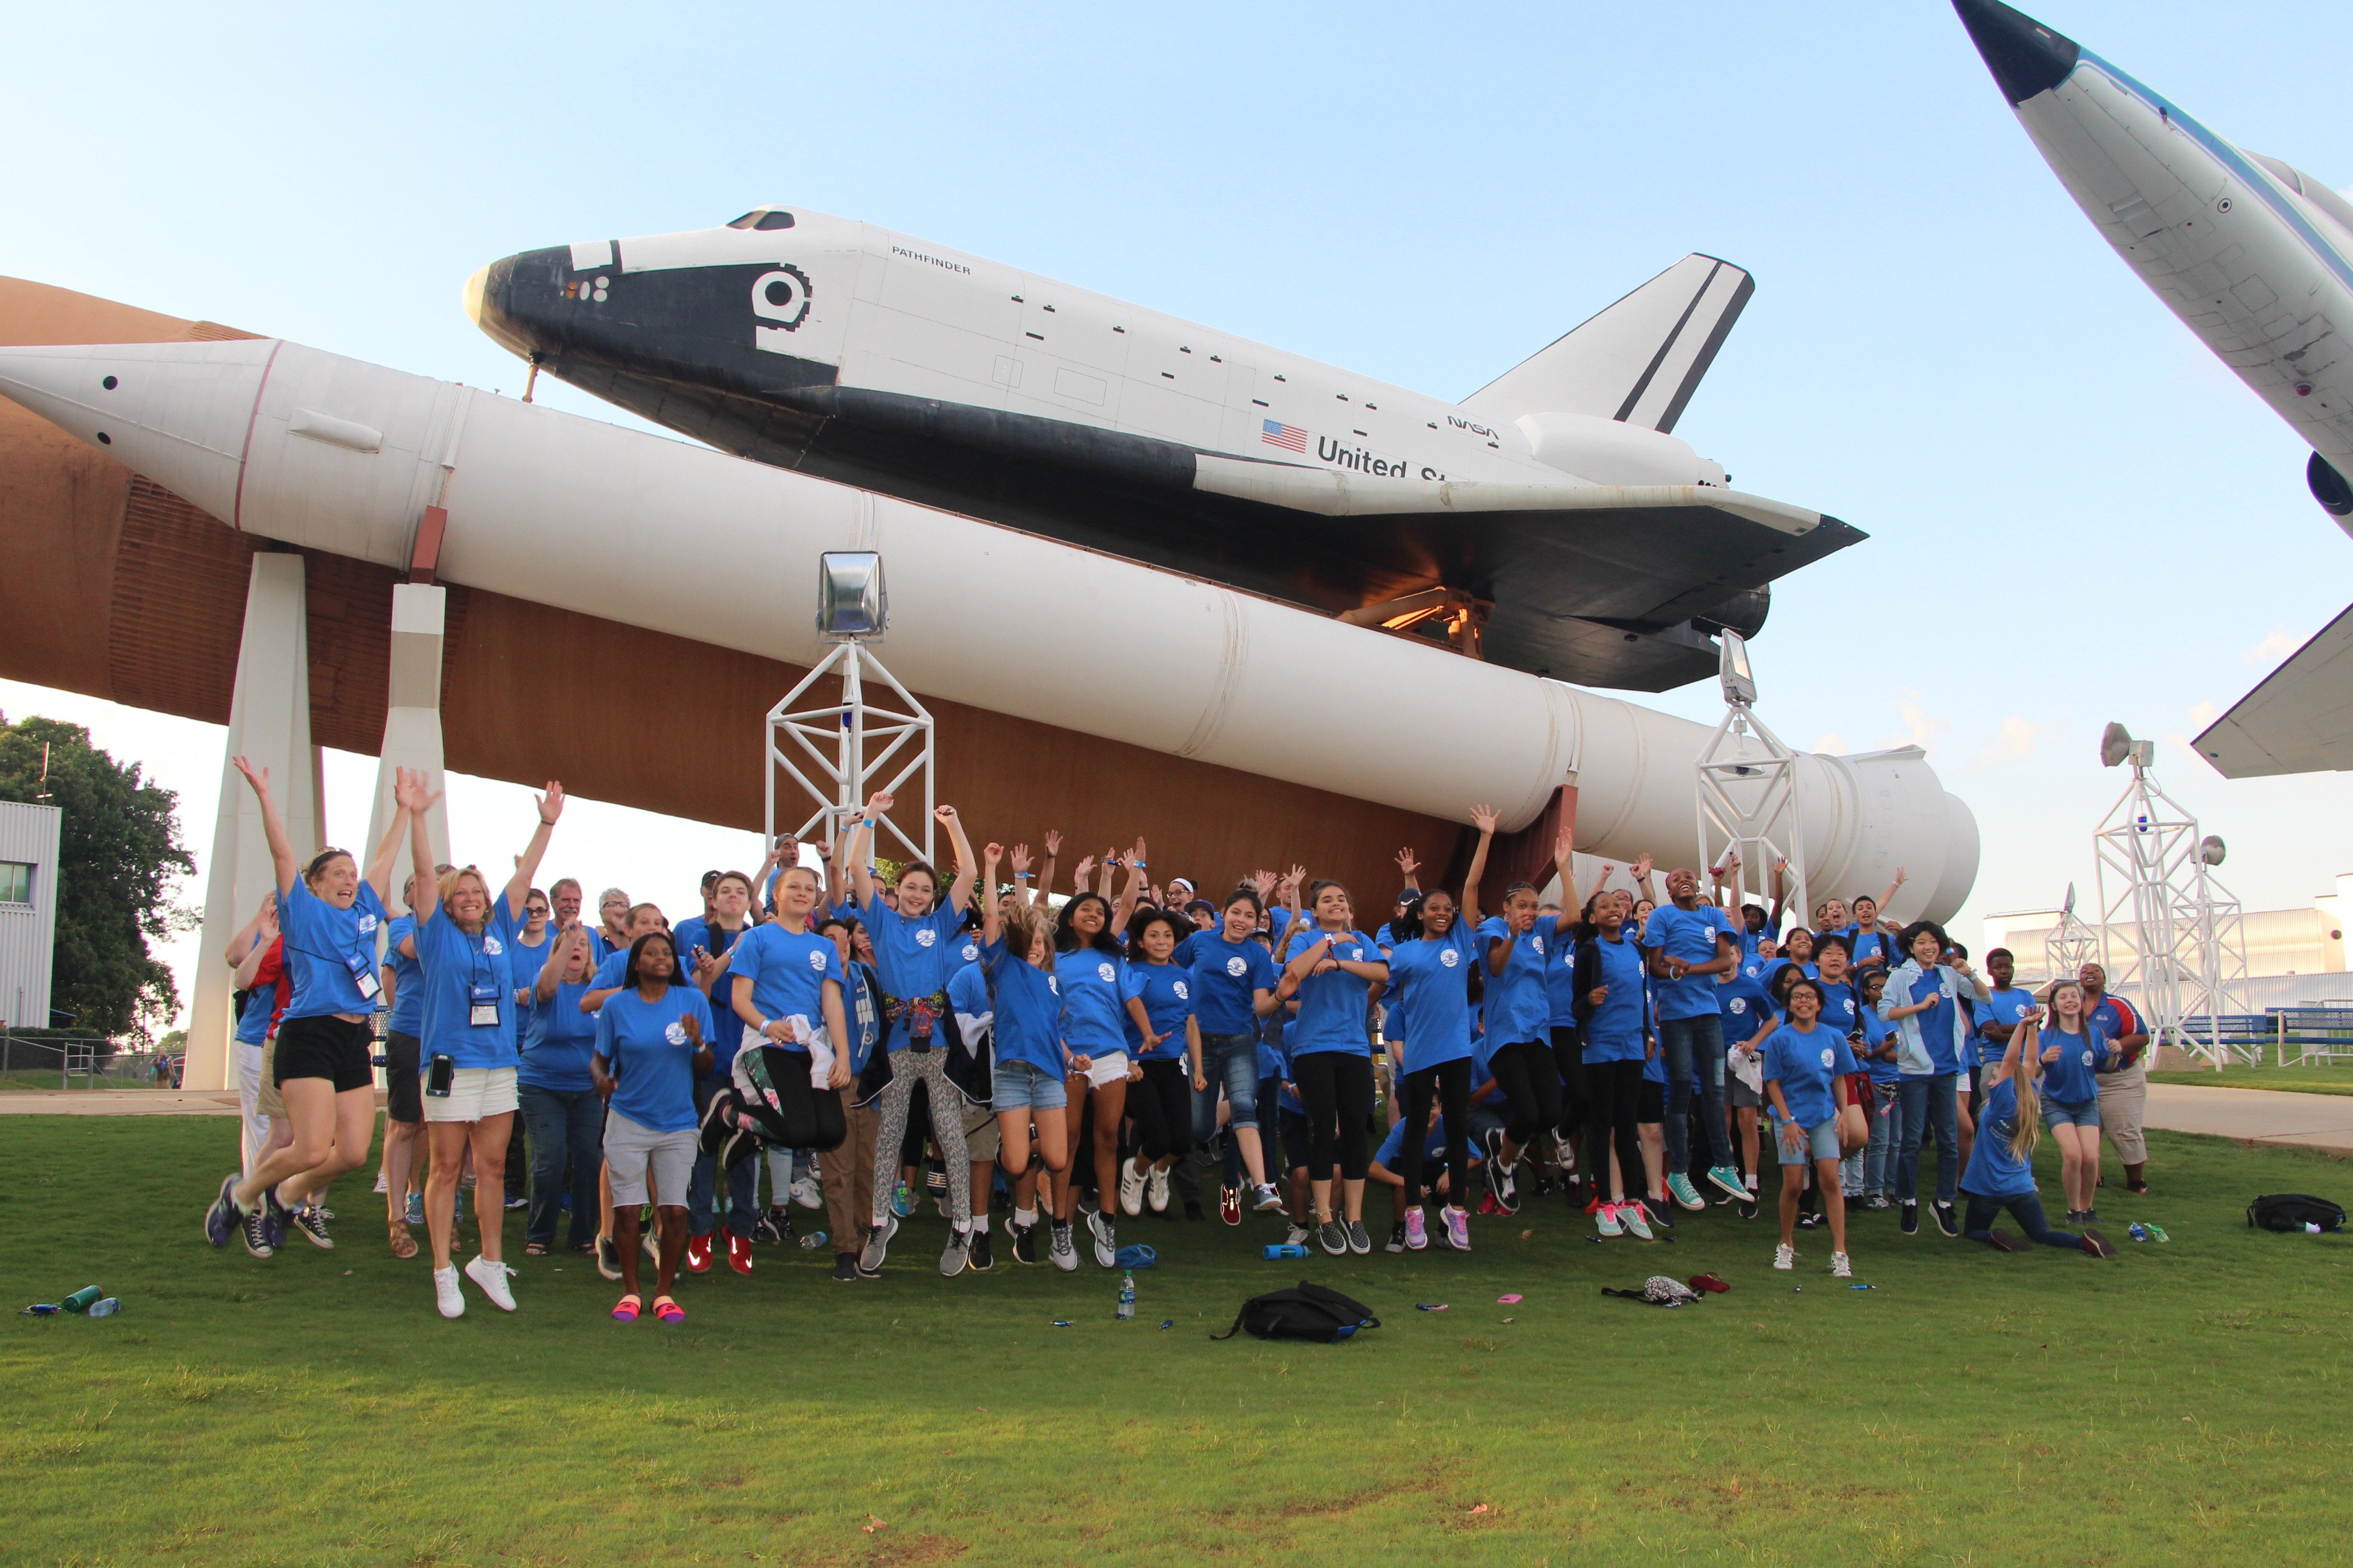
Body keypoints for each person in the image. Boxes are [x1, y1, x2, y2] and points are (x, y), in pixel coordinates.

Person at [203, 758, 410, 1260]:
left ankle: (285, 1196)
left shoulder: (365, 906)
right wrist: (265, 797)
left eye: (350, 873)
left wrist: (404, 809)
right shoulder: (301, 908)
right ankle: (242, 1195)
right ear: (314, 883)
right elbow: (281, 851)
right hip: (308, 1035)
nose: (348, 879)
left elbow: (384, 858)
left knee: (354, 1153)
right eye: (336, 874)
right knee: (313, 1148)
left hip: (354, 1037)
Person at [398, 771, 562, 1318]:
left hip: (499, 1064)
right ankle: (444, 1270)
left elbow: (527, 874)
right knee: (446, 1168)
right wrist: (418, 816)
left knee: (491, 1167)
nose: (470, 899)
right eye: (460, 894)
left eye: (477, 892)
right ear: (446, 903)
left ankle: (490, 1263)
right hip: (449, 1065)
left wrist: (545, 824)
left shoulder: (500, 928)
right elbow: (424, 873)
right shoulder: (435, 932)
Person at [846, 791, 985, 1278]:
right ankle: (879, 1223)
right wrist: (872, 817)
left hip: (940, 1044)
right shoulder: (880, 921)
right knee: (890, 1133)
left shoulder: (944, 924)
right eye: (910, 886)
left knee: (950, 1134)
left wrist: (953, 824)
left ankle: (964, 1225)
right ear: (898, 890)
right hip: (899, 1042)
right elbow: (857, 869)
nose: (918, 894)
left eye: (926, 889)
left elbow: (967, 875)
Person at [722, 862, 854, 1268]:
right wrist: (767, 1024)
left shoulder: (823, 947)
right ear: (775, 896)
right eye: (793, 886)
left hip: (810, 1050)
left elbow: (831, 1001)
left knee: (831, 1131)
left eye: (810, 887)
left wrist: (843, 1054)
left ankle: (747, 1127)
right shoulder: (757, 938)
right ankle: (730, 1116)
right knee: (796, 1129)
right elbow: (740, 998)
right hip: (767, 1044)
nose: (803, 892)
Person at [1382, 807, 1497, 1252]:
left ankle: (1457, 1214)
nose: (1445, 913)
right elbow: (1380, 986)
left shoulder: (1461, 941)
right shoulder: (1406, 954)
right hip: (1419, 1053)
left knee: (1454, 1128)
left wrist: (1485, 836)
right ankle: (1414, 1212)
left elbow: (1471, 886)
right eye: (1435, 909)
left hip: (1455, 1051)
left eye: (1448, 909)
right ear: (1421, 915)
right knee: (1414, 1131)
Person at [977, 843, 1090, 1271]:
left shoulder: (1054, 986)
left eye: (1043, 942)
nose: (1036, 947)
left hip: (1050, 1077)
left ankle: (1022, 1145)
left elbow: (1053, 1033)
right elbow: (995, 917)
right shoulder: (1003, 967)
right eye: (1030, 941)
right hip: (1011, 1074)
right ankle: (1013, 1146)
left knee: (1059, 1159)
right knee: (1017, 1161)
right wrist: (991, 868)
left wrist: (1073, 1057)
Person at [592, 930, 714, 1323]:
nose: (662, 958)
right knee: (628, 1212)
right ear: (636, 963)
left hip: (678, 1123)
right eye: (652, 953)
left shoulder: (692, 1001)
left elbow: (707, 1066)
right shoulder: (617, 1006)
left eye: (667, 952)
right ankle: (631, 1292)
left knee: (675, 1212)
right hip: (628, 1119)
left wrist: (697, 1043)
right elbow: (600, 1058)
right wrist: (600, 1078)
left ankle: (664, 1293)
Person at [1279, 878, 1391, 1256]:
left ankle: (1354, 1218)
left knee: (1357, 1130)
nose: (1336, 904)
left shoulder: (1362, 941)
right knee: (1323, 1129)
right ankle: (1325, 1217)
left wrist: (1341, 961)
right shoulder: (1306, 939)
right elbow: (1292, 974)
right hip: (1313, 1047)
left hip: (1356, 1048)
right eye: (1327, 900)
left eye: (1341, 899)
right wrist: (1326, 943)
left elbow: (1382, 974)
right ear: (1315, 910)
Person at [1958, 1003, 2117, 1257]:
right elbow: (2029, 1060)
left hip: (1989, 1187)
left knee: (1972, 1232)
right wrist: (2033, 1028)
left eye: (1995, 1077)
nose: (1991, 1081)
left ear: (2005, 1082)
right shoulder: (2029, 1095)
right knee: (2041, 1233)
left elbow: (2011, 1060)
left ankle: (1994, 1238)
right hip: (2021, 1187)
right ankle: (2082, 1244)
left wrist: (2021, 1026)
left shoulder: (2002, 1103)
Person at [1052, 843, 1145, 1268]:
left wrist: (1135, 869)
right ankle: (1060, 1229)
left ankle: (1106, 1222)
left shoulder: (1113, 954)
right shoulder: (1053, 956)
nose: (1095, 914)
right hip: (1068, 1057)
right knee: (1067, 1143)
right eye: (1085, 908)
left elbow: (1126, 906)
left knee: (1109, 1139)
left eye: (1100, 911)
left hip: (1111, 1055)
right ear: (1070, 916)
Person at [1641, 867, 1749, 1210]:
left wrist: (1685, 966)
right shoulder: (1661, 916)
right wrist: (1674, 970)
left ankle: (1724, 1165)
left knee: (1716, 1088)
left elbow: (1723, 961)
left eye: (1690, 875)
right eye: (1676, 878)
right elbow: (1655, 966)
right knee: (1682, 1089)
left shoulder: (1714, 915)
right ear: (1669, 889)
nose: (1684, 879)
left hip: (1708, 1015)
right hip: (1675, 1017)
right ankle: (1680, 1173)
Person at [1179, 888, 1286, 1216]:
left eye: (1250, 916)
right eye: (1236, 913)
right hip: (1200, 1043)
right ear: (1224, 913)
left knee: (1244, 1108)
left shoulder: (1257, 954)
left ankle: (1262, 1186)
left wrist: (1282, 994)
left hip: (1240, 1040)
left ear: (1257, 922)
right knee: (1199, 1127)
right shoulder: (1200, 942)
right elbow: (1170, 967)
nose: (1242, 920)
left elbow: (1262, 1006)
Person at [1881, 921, 1991, 1239]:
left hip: (1947, 1069)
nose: (1928, 947)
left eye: (1933, 942)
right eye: (1921, 942)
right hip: (1915, 1071)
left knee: (1950, 1139)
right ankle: (1908, 1199)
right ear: (1911, 947)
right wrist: (1920, 1005)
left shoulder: (1948, 975)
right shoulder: (1901, 976)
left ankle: (1944, 1201)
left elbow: (1985, 999)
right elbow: (1885, 1013)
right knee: (1912, 1140)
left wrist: (1969, 972)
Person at [678, 869, 761, 1276]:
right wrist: (734, 951)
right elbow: (699, 987)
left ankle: (741, 1229)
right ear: (713, 899)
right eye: (725, 891)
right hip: (712, 1058)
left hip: (751, 1061)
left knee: (746, 1147)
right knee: (705, 1147)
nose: (732, 897)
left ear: (750, 900)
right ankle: (700, 1229)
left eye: (740, 892)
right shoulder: (698, 938)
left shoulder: (763, 936)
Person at [1760, 978, 1861, 1277]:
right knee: (1793, 1185)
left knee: (1831, 1180)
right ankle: (1786, 1244)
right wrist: (1788, 1121)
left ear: (1819, 1003)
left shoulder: (1833, 1037)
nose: (1803, 1002)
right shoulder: (1780, 1038)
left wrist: (1843, 1112)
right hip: (1789, 1117)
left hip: (1823, 1117)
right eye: (1797, 997)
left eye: (1809, 997)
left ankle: (1840, 1252)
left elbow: (1840, 1078)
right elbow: (1773, 1084)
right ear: (1789, 1005)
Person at [1574, 888, 1658, 1239]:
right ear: (1593, 918)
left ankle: (1633, 1202)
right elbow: (1576, 1004)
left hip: (1632, 1044)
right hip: (1601, 1045)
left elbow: (1641, 997)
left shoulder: (1636, 949)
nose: (1614, 909)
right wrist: (1589, 1001)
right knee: (1602, 1123)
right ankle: (1606, 1203)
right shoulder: (1590, 950)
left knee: (1628, 1123)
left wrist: (1647, 1035)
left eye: (1617, 904)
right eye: (1604, 906)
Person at [520, 924, 604, 1258]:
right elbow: (547, 986)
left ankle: (583, 1235)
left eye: (583, 944)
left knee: (590, 1158)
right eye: (570, 944)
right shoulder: (546, 985)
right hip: (542, 1086)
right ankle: (539, 1234)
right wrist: (564, 943)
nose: (577, 949)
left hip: (586, 1089)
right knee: (551, 1158)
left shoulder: (598, 991)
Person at [1118, 907, 1202, 1219]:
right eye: (1153, 935)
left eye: (1168, 935)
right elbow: (1115, 1018)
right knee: (1157, 1138)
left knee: (1181, 1140)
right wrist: (1126, 1061)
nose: (1162, 941)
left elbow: (1191, 1025)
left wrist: (1199, 1069)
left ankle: (1159, 1172)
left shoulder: (1184, 976)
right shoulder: (1129, 971)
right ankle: (1136, 1173)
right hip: (1139, 1065)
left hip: (1174, 1064)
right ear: (1140, 941)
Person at [2032, 978, 2116, 1224]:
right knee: (2072, 1155)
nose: (2070, 1001)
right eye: (2063, 997)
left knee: (2091, 1157)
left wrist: (2115, 1052)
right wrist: (2044, 1060)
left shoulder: (2093, 1034)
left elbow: (2108, 1066)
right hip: (2056, 1103)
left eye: (2074, 996)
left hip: (2086, 1103)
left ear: (2081, 1002)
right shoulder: (2046, 1036)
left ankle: (2087, 1208)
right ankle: (2073, 1211)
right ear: (2054, 1006)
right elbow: (2032, 1073)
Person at [2080, 962, 2151, 1195]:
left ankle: (2136, 1182)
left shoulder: (2117, 1005)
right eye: (2084, 972)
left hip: (2119, 1080)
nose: (2089, 974)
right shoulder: (2072, 1005)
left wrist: (2119, 1046)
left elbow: (2142, 1036)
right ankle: (2094, 1179)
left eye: (2095, 971)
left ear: (2104, 979)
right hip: (2084, 1080)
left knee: (2124, 1131)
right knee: (2087, 1132)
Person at [1370, 1100, 1480, 1249]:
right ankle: (1399, 1232)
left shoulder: (1448, 1124)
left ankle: (1445, 1233)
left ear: (1441, 1107)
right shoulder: (1403, 1127)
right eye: (1422, 1106)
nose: (1427, 1112)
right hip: (1407, 1166)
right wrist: (1410, 1183)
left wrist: (1450, 1172)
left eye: (1433, 1106)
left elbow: (1477, 1156)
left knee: (1462, 1182)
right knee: (1403, 1185)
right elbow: (1374, 1169)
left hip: (1436, 1167)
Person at [1855, 968, 1901, 1207]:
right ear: (1865, 991)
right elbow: (1863, 1054)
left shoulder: (1898, 1013)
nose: (1882, 992)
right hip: (1876, 1084)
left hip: (1901, 1083)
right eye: (1876, 987)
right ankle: (1875, 1190)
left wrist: (1896, 1054)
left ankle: (1895, 1188)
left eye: (1886, 987)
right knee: (1879, 1141)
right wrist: (1883, 1050)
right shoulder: (1861, 1016)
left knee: (1897, 1140)